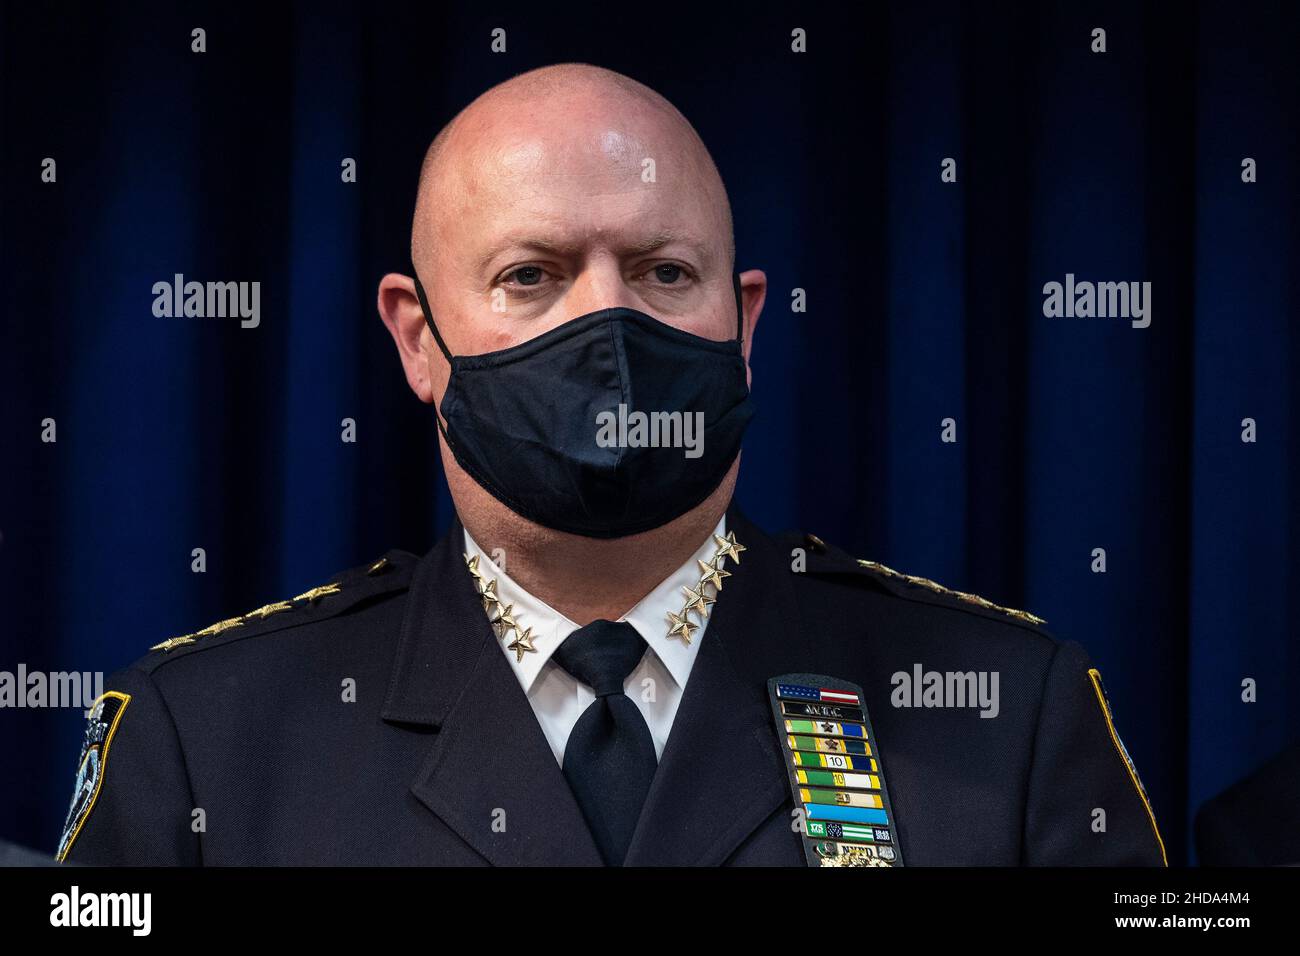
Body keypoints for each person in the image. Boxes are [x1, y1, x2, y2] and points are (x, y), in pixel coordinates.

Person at [56, 64, 1165, 867]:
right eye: (532, 275)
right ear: (415, 337)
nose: (608, 329)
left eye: (661, 271)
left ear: (743, 323)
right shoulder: (207, 737)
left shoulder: (1007, 720)